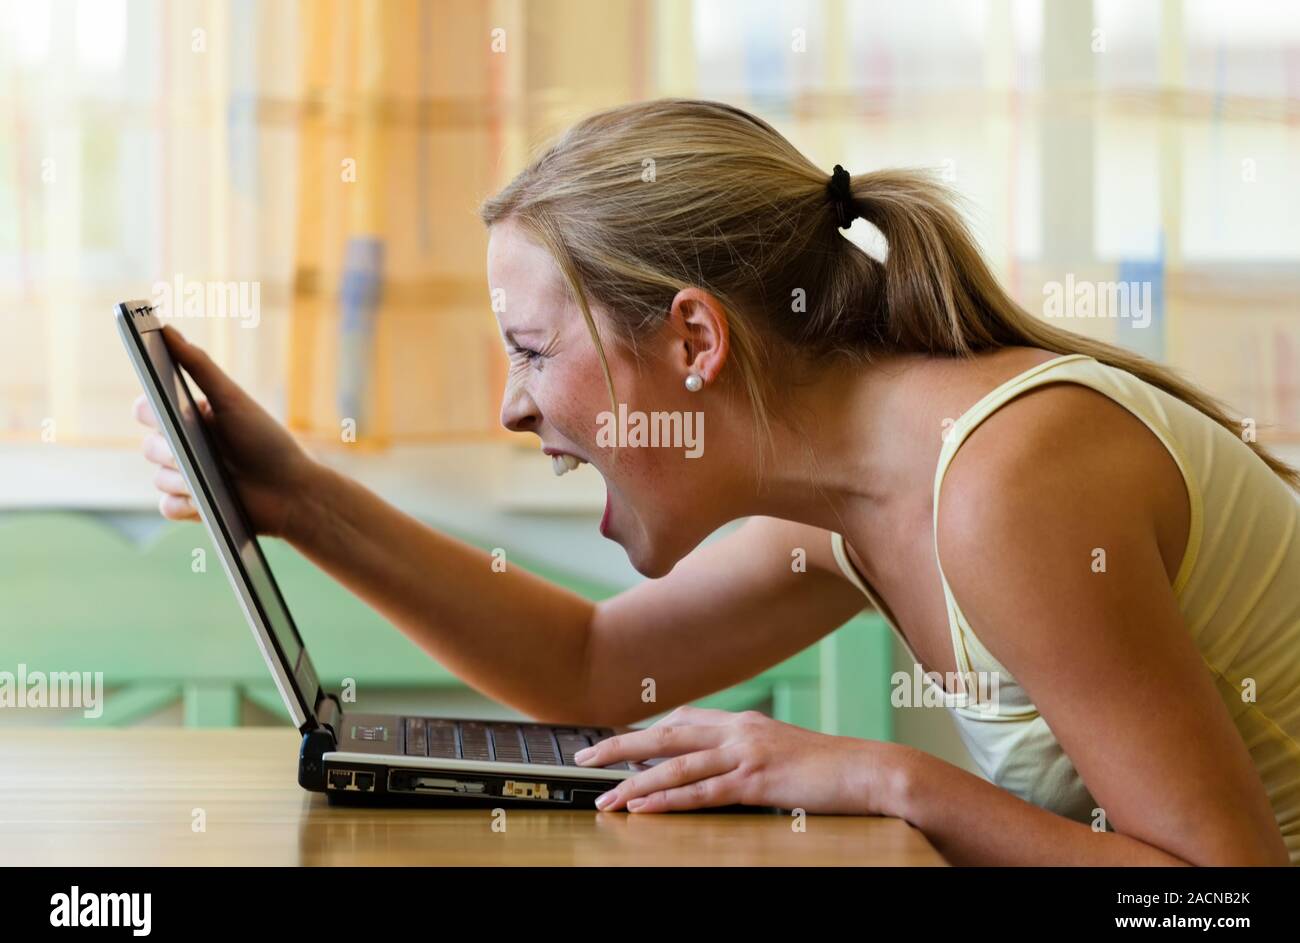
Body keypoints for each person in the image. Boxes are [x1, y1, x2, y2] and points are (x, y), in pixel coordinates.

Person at [135, 98, 1300, 865]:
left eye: (533, 348)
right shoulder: (856, 495)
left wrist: (885, 776)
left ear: (694, 341)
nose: (510, 404)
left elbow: (1216, 897)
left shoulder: (1008, 483)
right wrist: (299, 499)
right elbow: (590, 667)